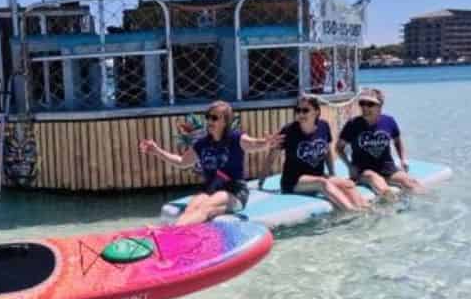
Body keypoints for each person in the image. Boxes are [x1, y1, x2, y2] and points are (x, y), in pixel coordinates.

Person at [139, 101, 277, 225]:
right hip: (209, 190)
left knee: (207, 206)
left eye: (214, 118)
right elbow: (182, 161)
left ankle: (169, 234)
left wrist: (266, 143)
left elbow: (253, 144)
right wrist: (157, 151)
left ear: (225, 121)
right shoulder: (202, 143)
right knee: (191, 208)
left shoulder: (235, 138)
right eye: (208, 117)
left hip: (234, 192)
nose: (209, 121)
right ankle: (176, 235)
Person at [266, 95, 369, 211]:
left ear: (316, 112)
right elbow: (273, 153)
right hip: (294, 181)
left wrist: (332, 173)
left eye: (305, 110)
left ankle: (366, 208)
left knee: (348, 184)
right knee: (323, 183)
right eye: (298, 110)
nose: (301, 114)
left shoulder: (323, 126)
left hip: (317, 175)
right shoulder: (289, 130)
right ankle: (351, 211)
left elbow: (327, 151)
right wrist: (262, 179)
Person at [337, 87, 425, 196]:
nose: (365, 107)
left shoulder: (389, 121)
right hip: (364, 170)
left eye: (370, 104)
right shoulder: (353, 124)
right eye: (362, 103)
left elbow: (397, 141)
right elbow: (339, 148)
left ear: (380, 106)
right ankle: (391, 212)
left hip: (387, 168)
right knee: (382, 187)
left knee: (412, 183)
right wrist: (350, 166)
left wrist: (403, 159)